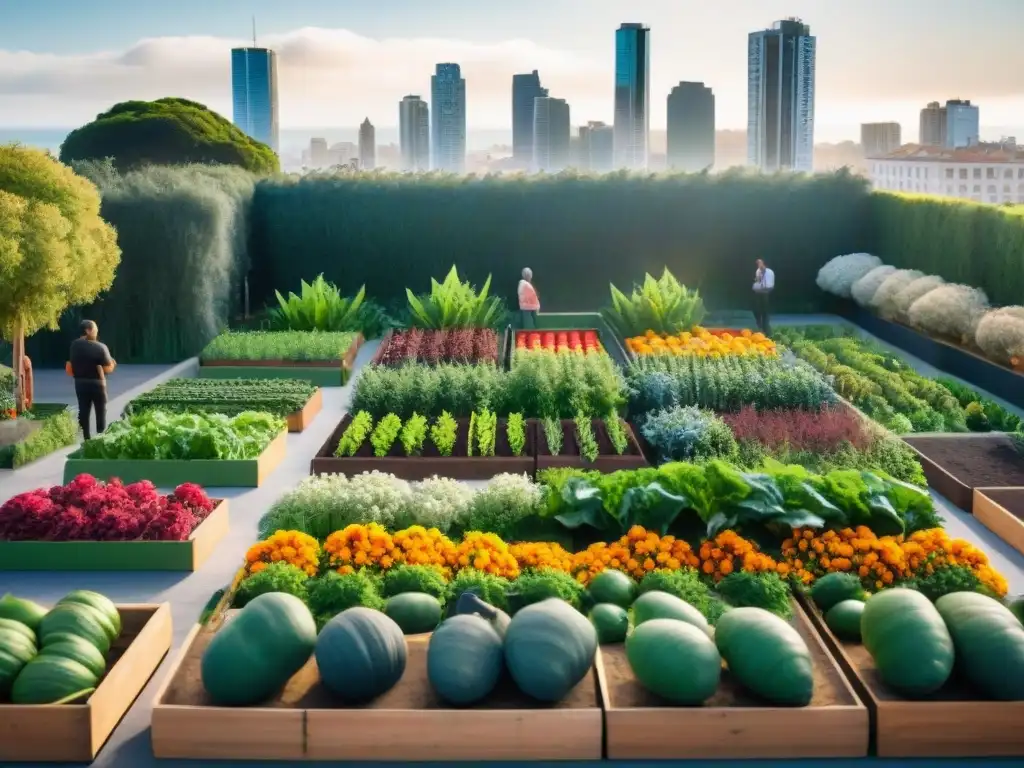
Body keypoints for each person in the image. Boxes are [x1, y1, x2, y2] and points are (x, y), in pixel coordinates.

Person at [65, 320, 116, 440]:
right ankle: (100, 437)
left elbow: (69, 367)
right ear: (88, 330)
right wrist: (112, 364)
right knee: (100, 411)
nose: (97, 332)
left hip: (80, 383)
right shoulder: (100, 347)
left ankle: (86, 439)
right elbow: (108, 367)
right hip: (98, 384)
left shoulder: (74, 345)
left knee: (83, 410)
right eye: (95, 329)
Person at [752, 259, 775, 336]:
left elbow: (770, 285)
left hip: (766, 293)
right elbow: (757, 281)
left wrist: (764, 288)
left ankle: (766, 330)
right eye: (758, 263)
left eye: (760, 263)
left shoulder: (769, 272)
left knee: (765, 312)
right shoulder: (758, 271)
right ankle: (759, 327)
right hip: (758, 293)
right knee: (757, 310)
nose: (759, 265)